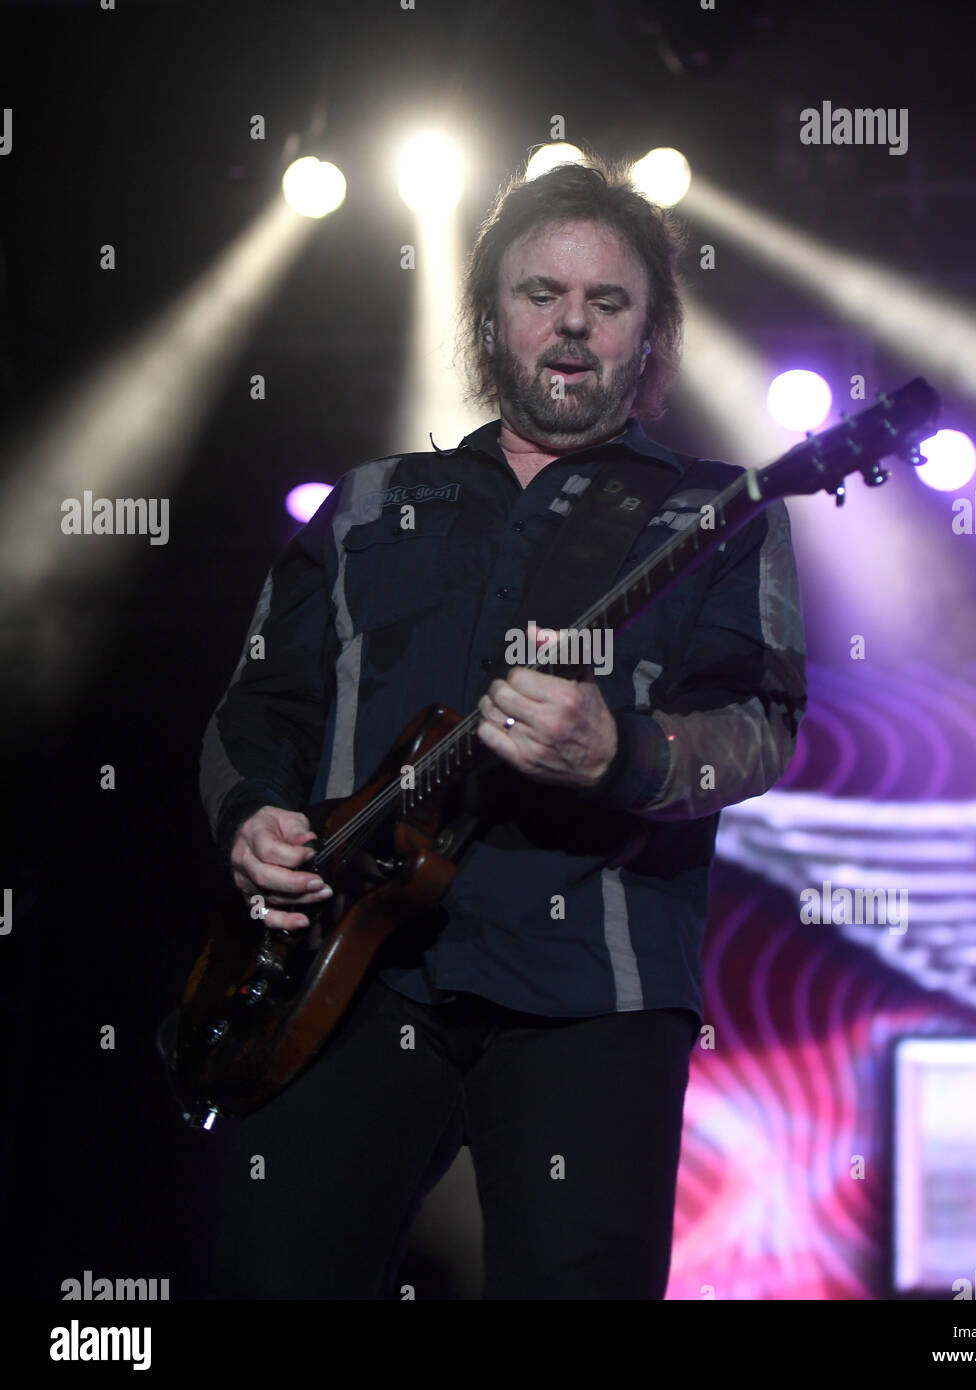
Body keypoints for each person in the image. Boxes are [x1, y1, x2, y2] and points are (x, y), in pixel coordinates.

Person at [197, 156, 807, 1300]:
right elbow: (256, 708)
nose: (571, 325)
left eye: (607, 302)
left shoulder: (714, 512)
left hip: (595, 994)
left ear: (647, 334)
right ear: (490, 315)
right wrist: (250, 820)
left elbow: (760, 726)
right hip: (346, 977)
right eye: (540, 295)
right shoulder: (369, 503)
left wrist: (618, 753)